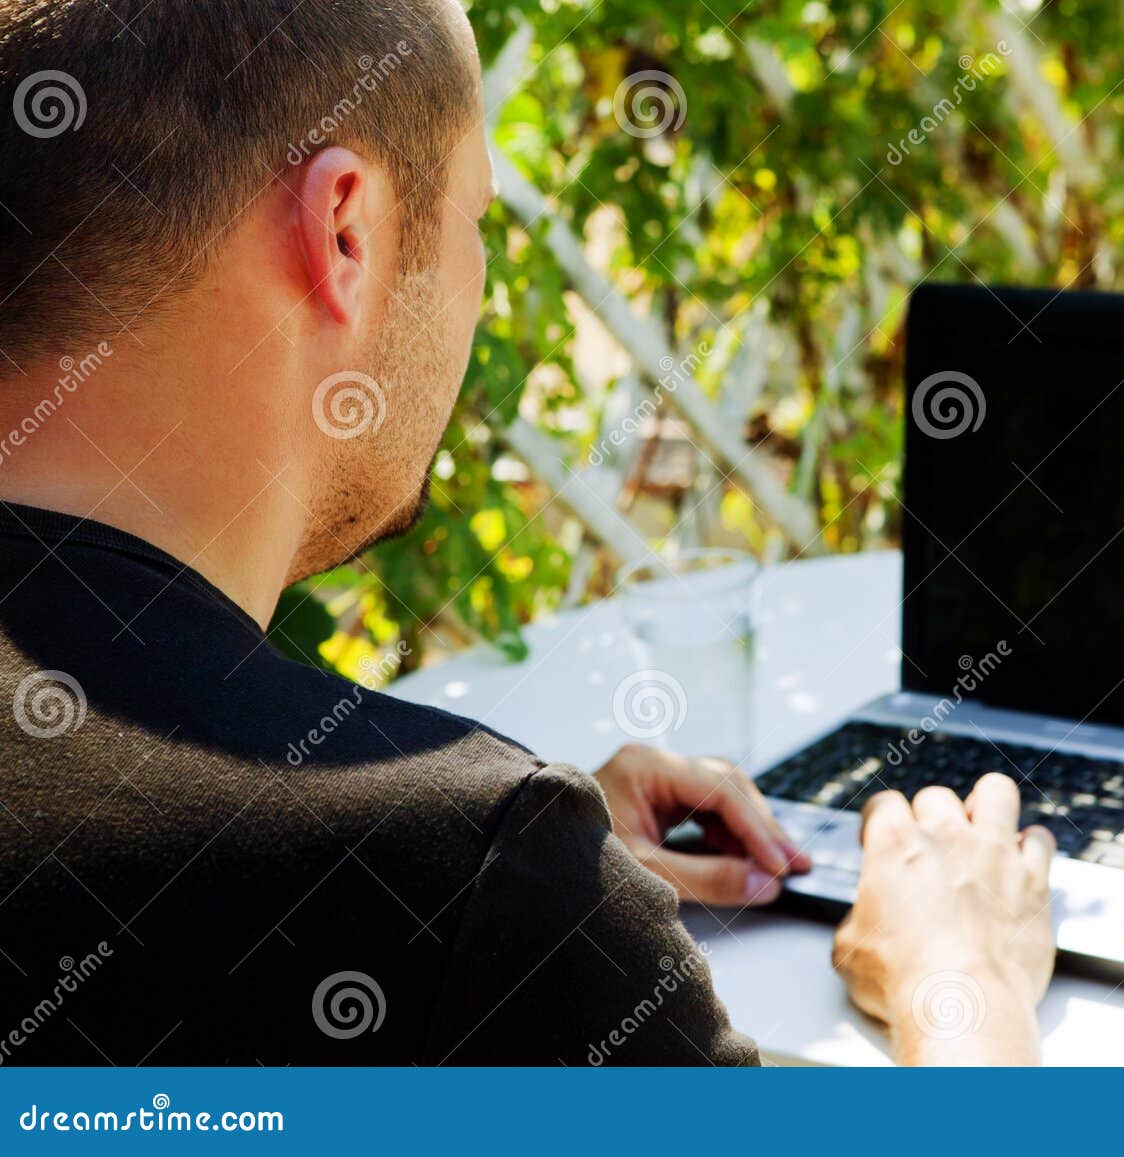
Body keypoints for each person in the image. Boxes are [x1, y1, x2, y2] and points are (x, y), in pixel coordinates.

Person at [0, 0, 1056, 1066]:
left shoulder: (435, 876)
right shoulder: (448, 877)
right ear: (345, 231)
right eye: (478, 223)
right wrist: (962, 977)